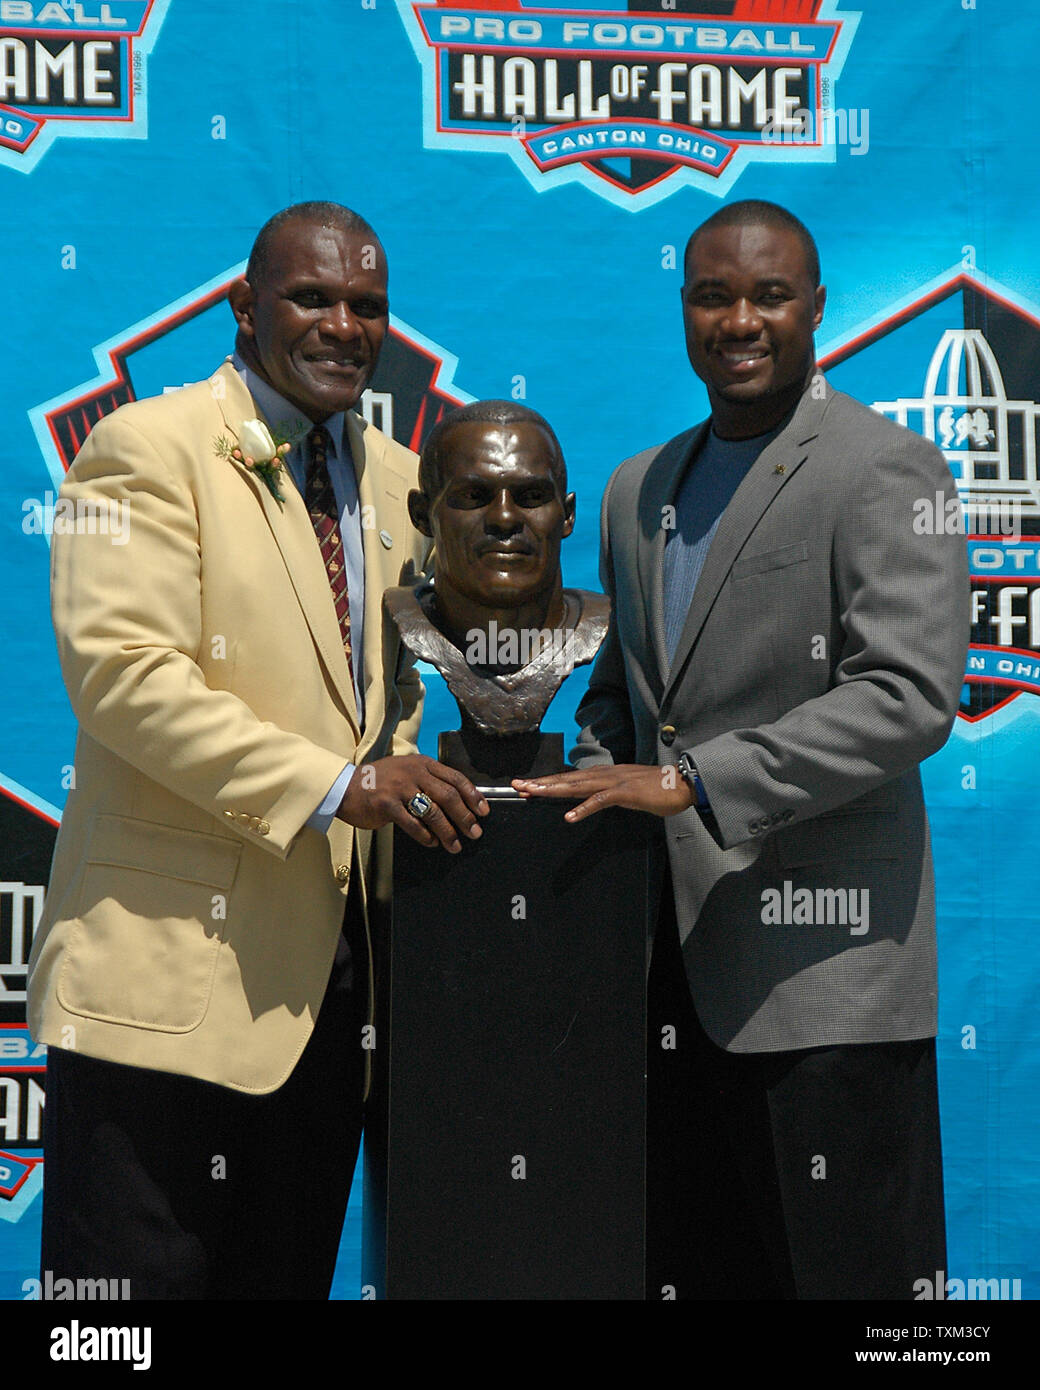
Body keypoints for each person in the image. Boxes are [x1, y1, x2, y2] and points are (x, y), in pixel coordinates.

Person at [28, 201, 487, 1299]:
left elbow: (393, 705)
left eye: (366, 306)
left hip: (330, 1011)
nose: (343, 324)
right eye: (312, 298)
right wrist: (338, 784)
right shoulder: (145, 446)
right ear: (243, 307)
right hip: (164, 1004)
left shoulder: (392, 478)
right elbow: (121, 675)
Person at [515, 200, 970, 1299]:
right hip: (664, 985)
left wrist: (692, 782)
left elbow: (908, 695)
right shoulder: (636, 487)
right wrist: (553, 791)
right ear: (683, 310)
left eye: (768, 295)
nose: (739, 319)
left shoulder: (884, 469)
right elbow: (625, 704)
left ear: (815, 308)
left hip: (825, 986)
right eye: (712, 294)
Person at [385, 401, 608, 741]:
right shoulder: (396, 618)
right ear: (421, 514)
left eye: (531, 496)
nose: (504, 518)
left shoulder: (602, 622)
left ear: (567, 515)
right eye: (474, 495)